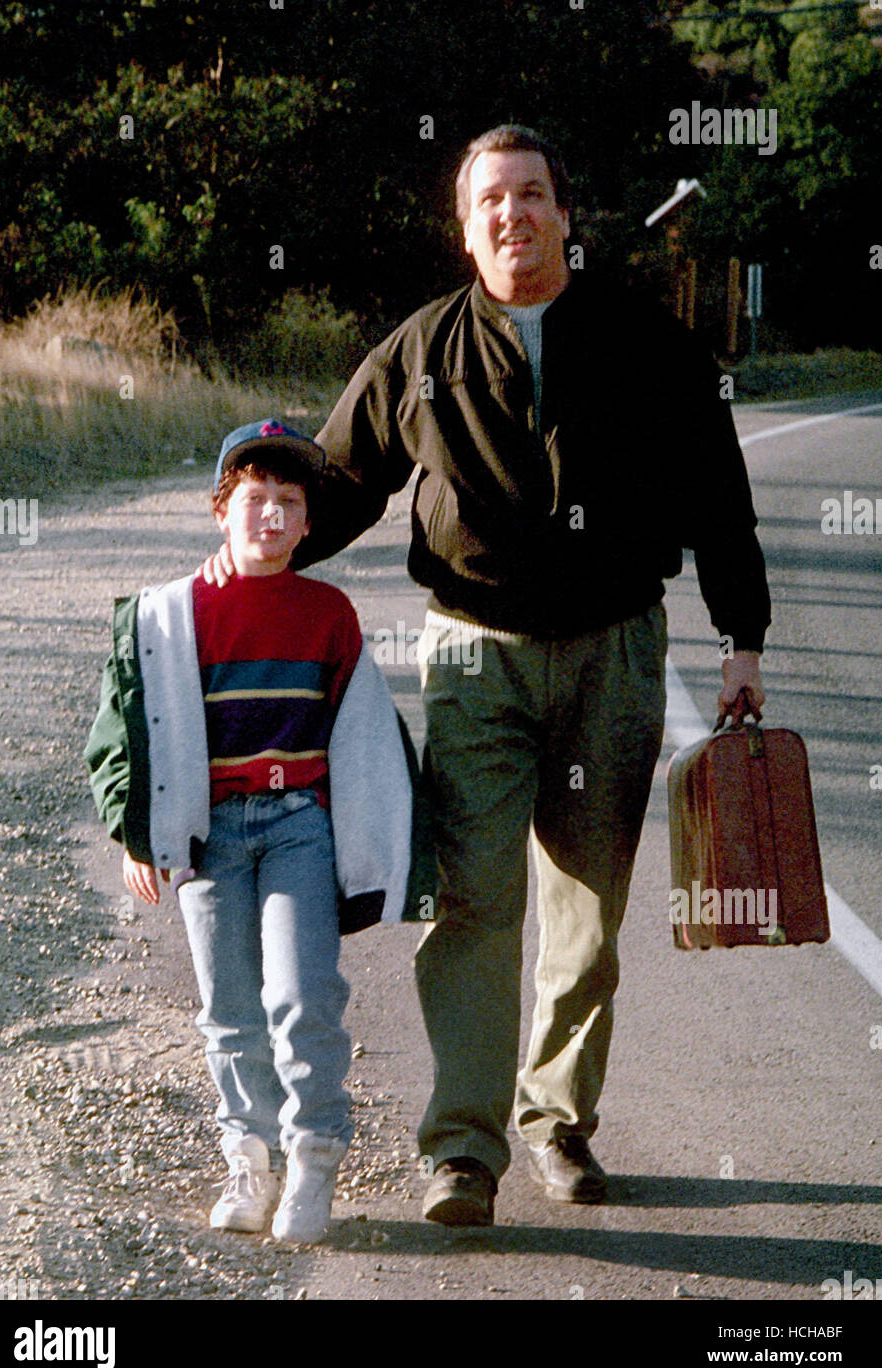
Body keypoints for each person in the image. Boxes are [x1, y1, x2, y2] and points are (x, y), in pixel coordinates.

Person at [206, 125, 771, 1228]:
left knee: (587, 910)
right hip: (472, 655)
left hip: (614, 649)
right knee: (471, 901)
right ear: (465, 232)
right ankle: (462, 1148)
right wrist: (252, 552)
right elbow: (339, 481)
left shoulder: (648, 344)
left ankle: (558, 1122)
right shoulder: (420, 351)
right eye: (489, 203)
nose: (512, 215)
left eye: (530, 195)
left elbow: (717, 494)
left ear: (567, 213)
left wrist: (740, 636)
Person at [84, 419, 413, 1243]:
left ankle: (312, 1160)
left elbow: (367, 739)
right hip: (211, 834)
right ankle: (249, 1157)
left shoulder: (329, 615)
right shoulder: (168, 618)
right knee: (229, 1006)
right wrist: (136, 831)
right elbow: (122, 734)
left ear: (307, 524)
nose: (269, 517)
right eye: (254, 499)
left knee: (303, 996)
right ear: (221, 510)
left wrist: (376, 851)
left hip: (299, 826)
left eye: (288, 503)